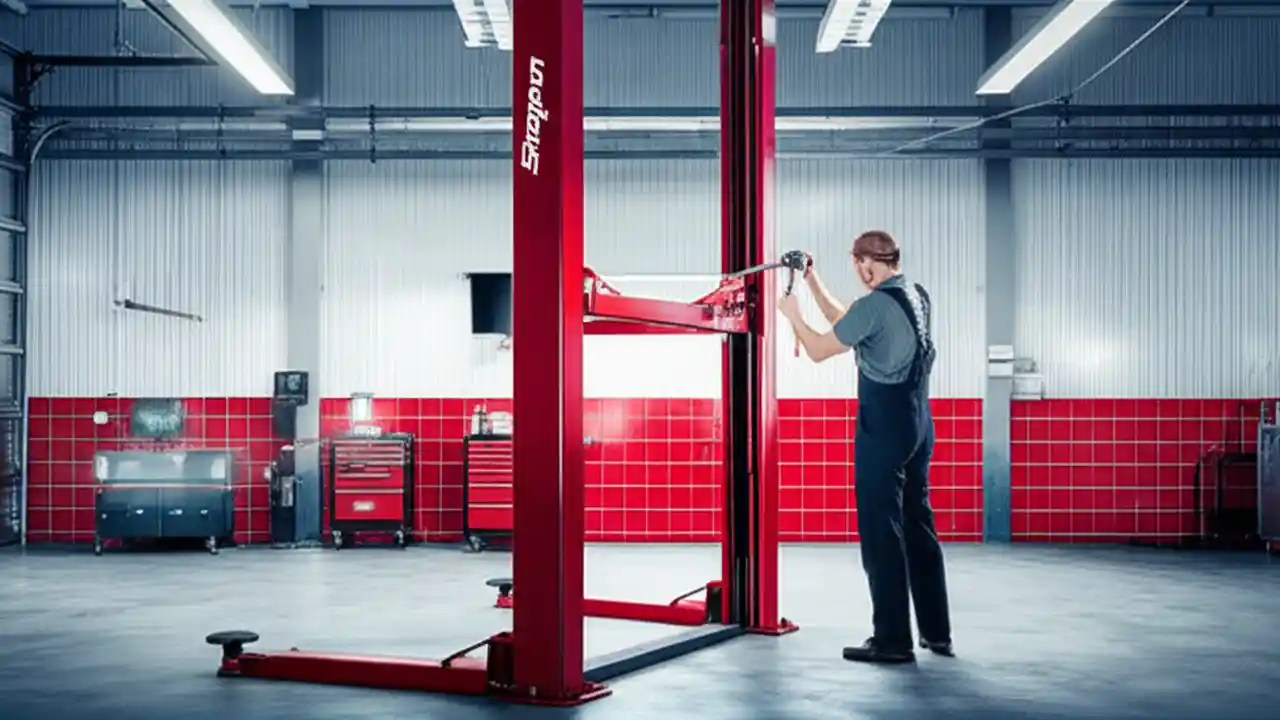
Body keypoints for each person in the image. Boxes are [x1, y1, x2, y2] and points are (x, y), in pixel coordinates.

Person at [778, 230, 953, 664]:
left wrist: (792, 314)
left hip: (885, 426)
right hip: (919, 423)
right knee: (917, 523)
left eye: (858, 265)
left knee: (882, 533)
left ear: (865, 263)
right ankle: (937, 632)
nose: (858, 273)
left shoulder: (873, 305)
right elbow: (851, 324)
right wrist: (813, 280)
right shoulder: (915, 294)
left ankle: (892, 640)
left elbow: (821, 348)